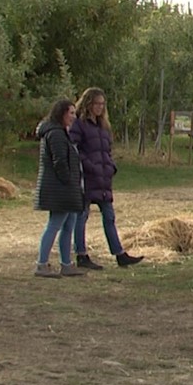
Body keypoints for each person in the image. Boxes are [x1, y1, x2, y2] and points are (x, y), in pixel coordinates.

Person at [69, 87, 144, 269]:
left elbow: (106, 151)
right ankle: (81, 255)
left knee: (109, 216)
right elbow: (74, 149)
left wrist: (111, 166)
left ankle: (119, 254)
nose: (100, 108)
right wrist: (90, 166)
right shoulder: (79, 124)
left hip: (103, 178)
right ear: (88, 103)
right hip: (87, 178)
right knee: (82, 216)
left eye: (102, 104)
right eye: (97, 104)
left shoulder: (103, 126)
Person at [33, 99, 87, 278]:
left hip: (65, 189)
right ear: (61, 113)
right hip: (60, 189)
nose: (74, 117)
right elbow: (60, 162)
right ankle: (42, 264)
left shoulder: (61, 132)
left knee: (69, 224)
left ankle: (66, 264)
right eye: (71, 113)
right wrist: (68, 182)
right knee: (55, 225)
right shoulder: (55, 134)